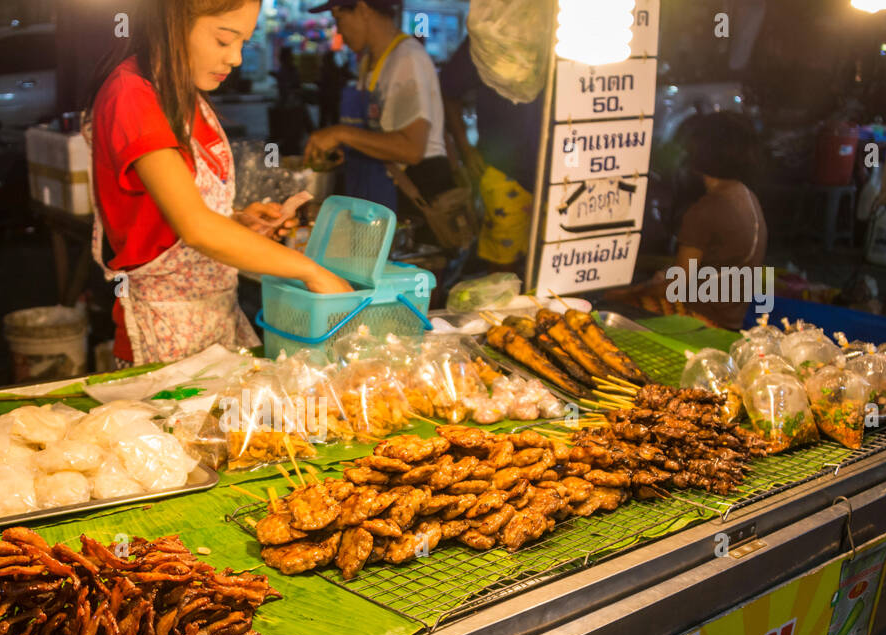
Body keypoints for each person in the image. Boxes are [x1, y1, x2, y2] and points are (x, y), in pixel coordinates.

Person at [85, 0, 352, 366]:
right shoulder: (131, 94)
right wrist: (311, 271)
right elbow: (196, 228)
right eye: (224, 41)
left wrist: (235, 221)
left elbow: (180, 214)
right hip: (162, 341)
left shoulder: (181, 91)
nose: (236, 59)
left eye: (244, 42)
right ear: (173, 23)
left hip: (214, 329)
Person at [604, 113, 767, 330]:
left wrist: (629, 293)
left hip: (704, 319)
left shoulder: (706, 210)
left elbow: (677, 285)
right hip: (732, 316)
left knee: (610, 308)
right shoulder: (746, 195)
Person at [302, 0, 451, 216]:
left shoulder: (407, 59)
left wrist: (341, 133)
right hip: (377, 192)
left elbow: (412, 150)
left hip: (416, 194)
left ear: (362, 9)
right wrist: (344, 147)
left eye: (339, 19)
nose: (340, 32)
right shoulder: (369, 62)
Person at [440, 36, 544, 272]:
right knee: (501, 271)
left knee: (554, 266)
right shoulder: (492, 31)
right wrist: (465, 149)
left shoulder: (572, 25)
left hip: (564, 175)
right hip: (503, 170)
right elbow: (448, 89)